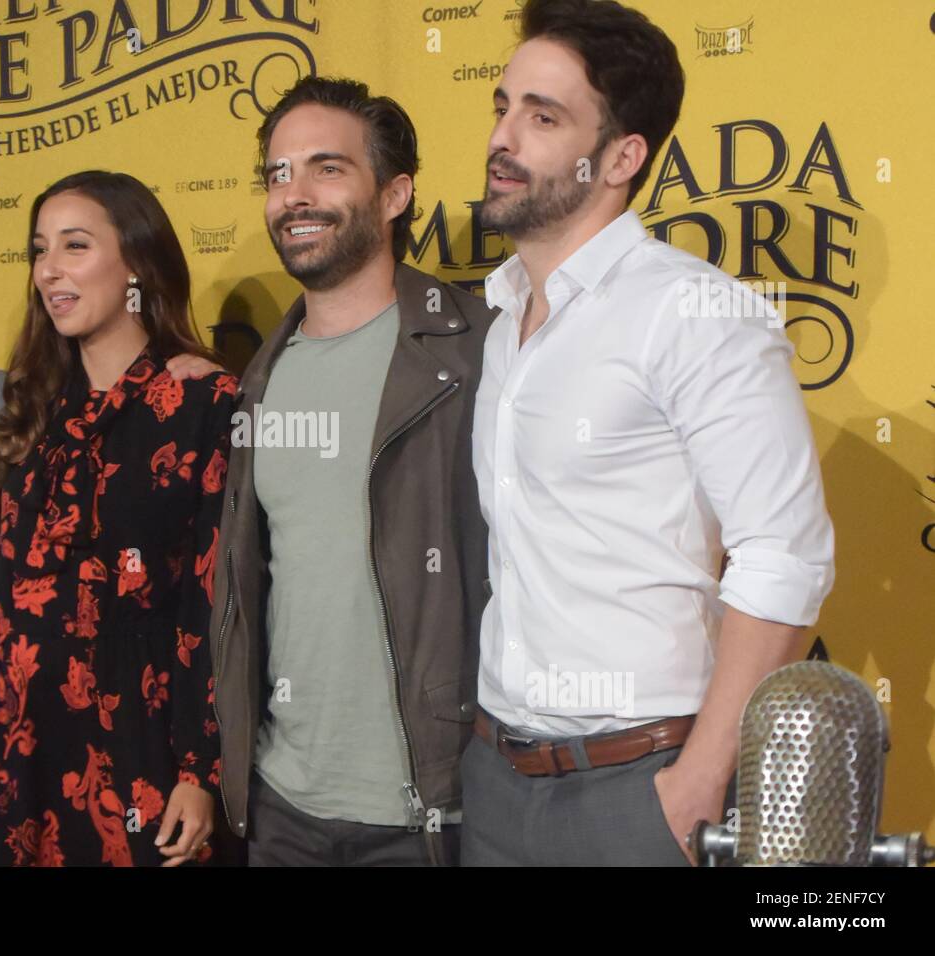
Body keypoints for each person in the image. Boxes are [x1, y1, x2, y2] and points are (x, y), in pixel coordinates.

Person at [462, 0, 835, 866]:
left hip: (642, 785)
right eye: (503, 105)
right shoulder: (500, 319)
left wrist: (701, 777)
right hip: (493, 780)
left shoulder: (693, 313)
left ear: (622, 156)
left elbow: (786, 555)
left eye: (543, 116)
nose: (503, 138)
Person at [212, 77, 494, 866]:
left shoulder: (478, 353)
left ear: (396, 193)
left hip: (429, 809)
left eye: (326, 169)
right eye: (277, 174)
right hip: (282, 806)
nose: (293, 195)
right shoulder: (260, 378)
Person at [0, 170, 234, 867]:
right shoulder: (31, 406)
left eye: (75, 246)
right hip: (7, 748)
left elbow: (209, 600)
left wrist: (199, 769)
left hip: (141, 736)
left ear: (137, 262)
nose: (49, 270)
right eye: (40, 250)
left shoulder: (204, 402)